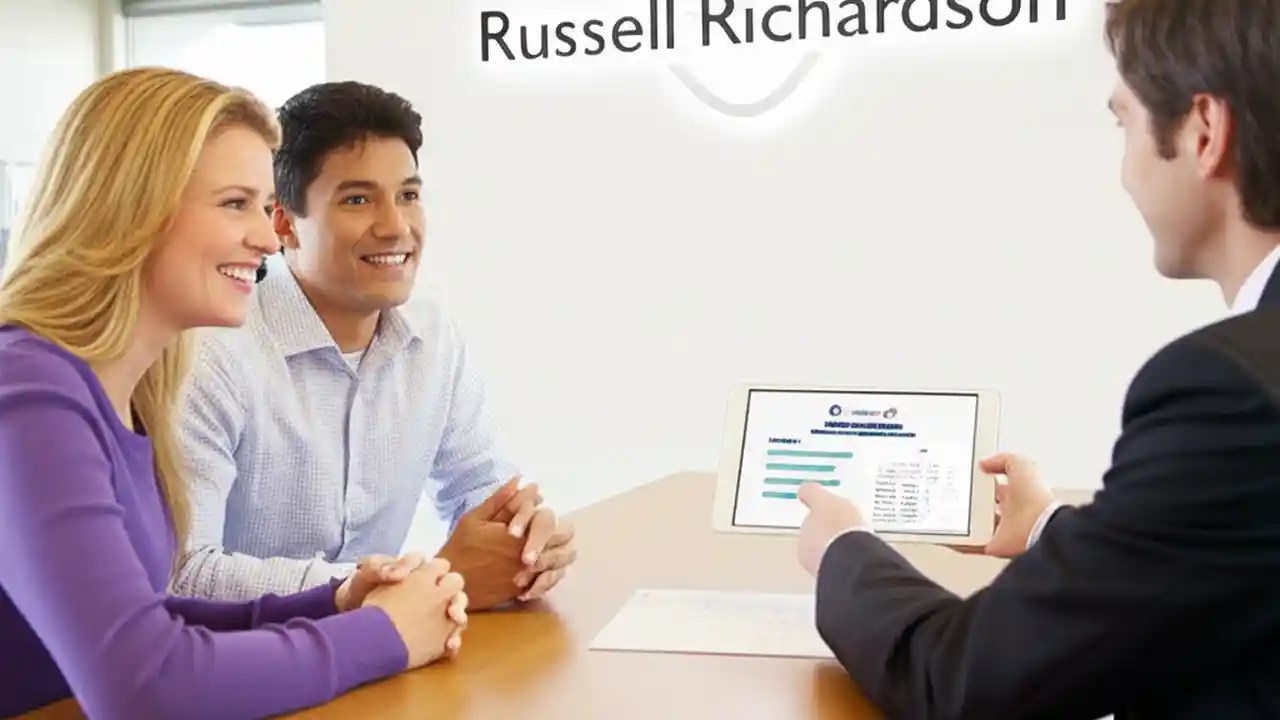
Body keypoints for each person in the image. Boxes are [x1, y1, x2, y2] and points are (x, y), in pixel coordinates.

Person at [795, 1, 1280, 718]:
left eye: (1125, 125)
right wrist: (1051, 527)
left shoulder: (1226, 389)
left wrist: (843, 551)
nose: (1124, 174)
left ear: (1204, 131)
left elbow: (964, 681)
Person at [0, 68, 469, 720]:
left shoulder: (123, 393)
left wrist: (332, 603)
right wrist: (383, 634)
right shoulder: (26, 395)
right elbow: (146, 683)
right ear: (136, 207)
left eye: (263, 203)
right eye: (235, 204)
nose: (266, 236)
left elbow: (143, 623)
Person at [172, 81, 577, 610]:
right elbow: (185, 572)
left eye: (408, 195)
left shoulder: (432, 339)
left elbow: (481, 489)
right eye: (358, 199)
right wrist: (411, 584)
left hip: (382, 656)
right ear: (283, 223)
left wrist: (524, 539)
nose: (395, 226)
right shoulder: (212, 354)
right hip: (242, 666)